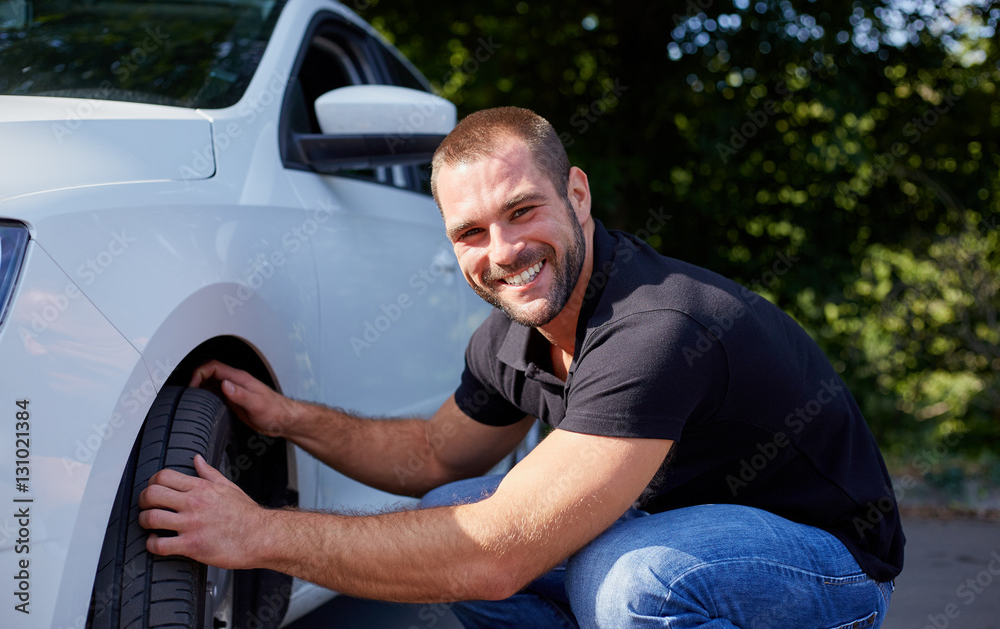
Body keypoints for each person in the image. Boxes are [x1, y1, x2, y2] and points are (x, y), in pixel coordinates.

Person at [139, 107, 904, 628]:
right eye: (471, 231)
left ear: (576, 193)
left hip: (829, 565)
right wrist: (287, 417)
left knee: (629, 578)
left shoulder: (657, 326)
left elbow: (495, 551)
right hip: (676, 527)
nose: (502, 251)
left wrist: (260, 532)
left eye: (522, 210)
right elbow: (431, 454)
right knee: (457, 495)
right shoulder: (509, 340)